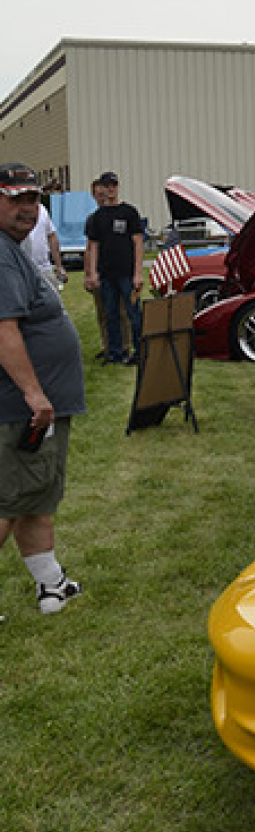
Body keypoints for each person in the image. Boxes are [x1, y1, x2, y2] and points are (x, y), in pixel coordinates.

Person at [0, 163, 85, 616]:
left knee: (35, 496)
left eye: (33, 199)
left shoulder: (12, 250)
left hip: (37, 405)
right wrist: (34, 394)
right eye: (15, 199)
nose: (27, 208)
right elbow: (4, 330)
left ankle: (52, 586)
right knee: (8, 503)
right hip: (21, 407)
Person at [84, 171, 143, 365]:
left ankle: (138, 351)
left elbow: (138, 243)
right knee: (110, 316)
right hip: (106, 275)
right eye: (107, 185)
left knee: (133, 314)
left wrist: (138, 273)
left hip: (127, 274)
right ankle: (115, 353)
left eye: (113, 185)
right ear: (101, 188)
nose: (110, 189)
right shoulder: (97, 217)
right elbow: (93, 246)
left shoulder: (129, 212)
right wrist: (92, 273)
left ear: (118, 187)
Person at [23, 196, 68, 291]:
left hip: (44, 268)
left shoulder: (42, 209)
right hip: (21, 269)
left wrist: (59, 266)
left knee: (52, 303)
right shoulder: (9, 211)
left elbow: (52, 236)